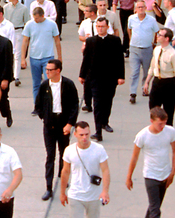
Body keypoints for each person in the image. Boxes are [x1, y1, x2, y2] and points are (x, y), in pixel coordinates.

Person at [35, 59, 79, 202]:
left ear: (58, 71)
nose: (47, 72)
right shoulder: (44, 86)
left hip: (63, 124)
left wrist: (70, 124)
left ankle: (63, 180)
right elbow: (38, 105)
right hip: (49, 125)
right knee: (50, 155)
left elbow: (74, 105)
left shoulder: (68, 85)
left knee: (64, 154)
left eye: (50, 70)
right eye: (46, 70)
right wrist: (45, 117)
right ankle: (48, 187)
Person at [125, 107, 175, 218]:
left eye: (164, 123)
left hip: (165, 174)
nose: (162, 127)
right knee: (155, 210)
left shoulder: (170, 132)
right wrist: (129, 176)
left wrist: (172, 173)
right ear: (152, 121)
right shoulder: (142, 136)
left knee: (155, 205)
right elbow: (135, 157)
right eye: (160, 124)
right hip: (151, 175)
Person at [79, 17, 124, 141]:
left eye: (102, 26)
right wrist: (82, 75)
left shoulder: (115, 40)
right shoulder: (91, 41)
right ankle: (98, 131)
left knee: (108, 101)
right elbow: (86, 59)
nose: (100, 28)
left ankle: (105, 122)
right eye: (98, 26)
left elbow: (119, 60)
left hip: (111, 78)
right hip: (95, 78)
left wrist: (121, 76)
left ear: (107, 27)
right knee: (97, 104)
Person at [60, 121, 111, 217]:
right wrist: (62, 193)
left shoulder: (99, 149)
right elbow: (65, 172)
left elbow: (105, 170)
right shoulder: (69, 150)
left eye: (87, 134)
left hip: (94, 195)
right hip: (75, 194)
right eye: (81, 135)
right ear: (75, 134)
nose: (84, 138)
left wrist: (105, 191)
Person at [21, 7, 62, 107]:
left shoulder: (51, 24)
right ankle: (37, 105)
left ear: (43, 16)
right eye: (34, 18)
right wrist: (23, 58)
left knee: (49, 82)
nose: (35, 20)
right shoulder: (29, 24)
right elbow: (25, 41)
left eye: (37, 18)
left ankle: (49, 105)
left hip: (48, 57)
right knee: (36, 83)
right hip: (34, 57)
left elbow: (57, 40)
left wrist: (59, 57)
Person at [143, 28, 175, 126]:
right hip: (157, 82)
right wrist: (147, 81)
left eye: (160, 35)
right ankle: (155, 129)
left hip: (169, 83)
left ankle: (168, 133)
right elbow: (152, 67)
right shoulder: (156, 50)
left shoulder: (173, 54)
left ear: (167, 38)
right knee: (153, 108)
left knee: (168, 111)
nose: (157, 36)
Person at [127, 0, 158, 104]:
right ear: (135, 9)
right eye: (138, 7)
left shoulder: (151, 20)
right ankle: (133, 93)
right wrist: (131, 39)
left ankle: (145, 88)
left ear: (145, 8)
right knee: (134, 72)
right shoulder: (131, 18)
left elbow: (157, 31)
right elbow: (129, 29)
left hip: (147, 48)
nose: (140, 9)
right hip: (134, 49)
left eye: (142, 7)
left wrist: (154, 43)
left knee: (147, 71)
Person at [3, 0, 29, 87]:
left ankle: (16, 76)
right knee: (7, 53)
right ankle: (8, 73)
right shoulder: (5, 7)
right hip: (8, 31)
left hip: (19, 31)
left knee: (17, 54)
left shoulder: (23, 9)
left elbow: (26, 22)